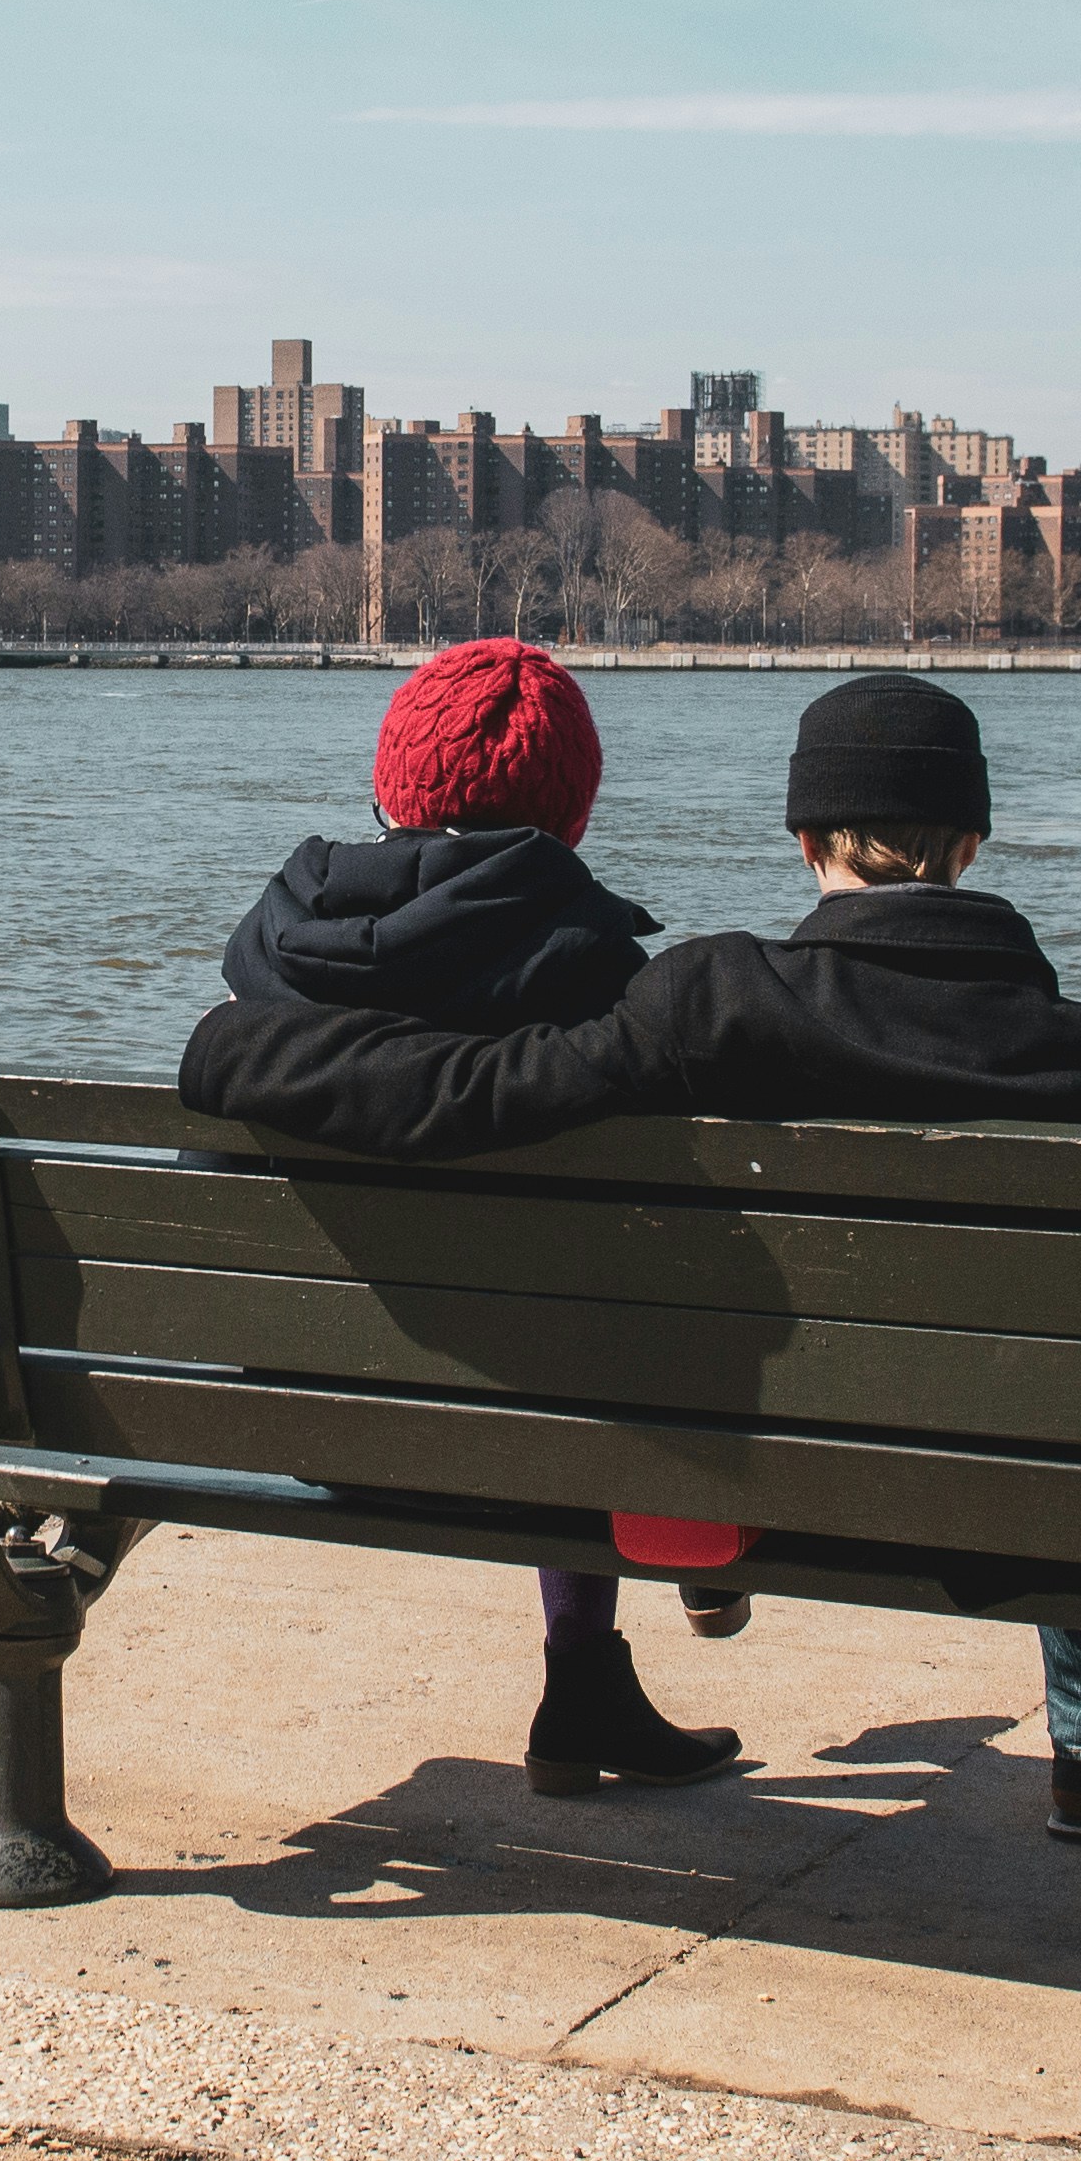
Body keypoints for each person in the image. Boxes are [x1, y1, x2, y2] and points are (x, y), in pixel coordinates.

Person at [183, 670, 1081, 1841]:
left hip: (730, 1485)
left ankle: (689, 1605)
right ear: (972, 839)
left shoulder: (706, 1003)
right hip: (1011, 1510)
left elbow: (479, 1087)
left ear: (804, 836)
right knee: (1076, 1372)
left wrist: (233, 1041)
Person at [213, 638, 744, 1800]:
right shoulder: (599, 989)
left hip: (311, 1422)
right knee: (593, 1334)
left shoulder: (270, 969)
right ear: (573, 809)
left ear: (392, 783)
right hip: (542, 1439)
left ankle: (585, 1683)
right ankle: (600, 1654)